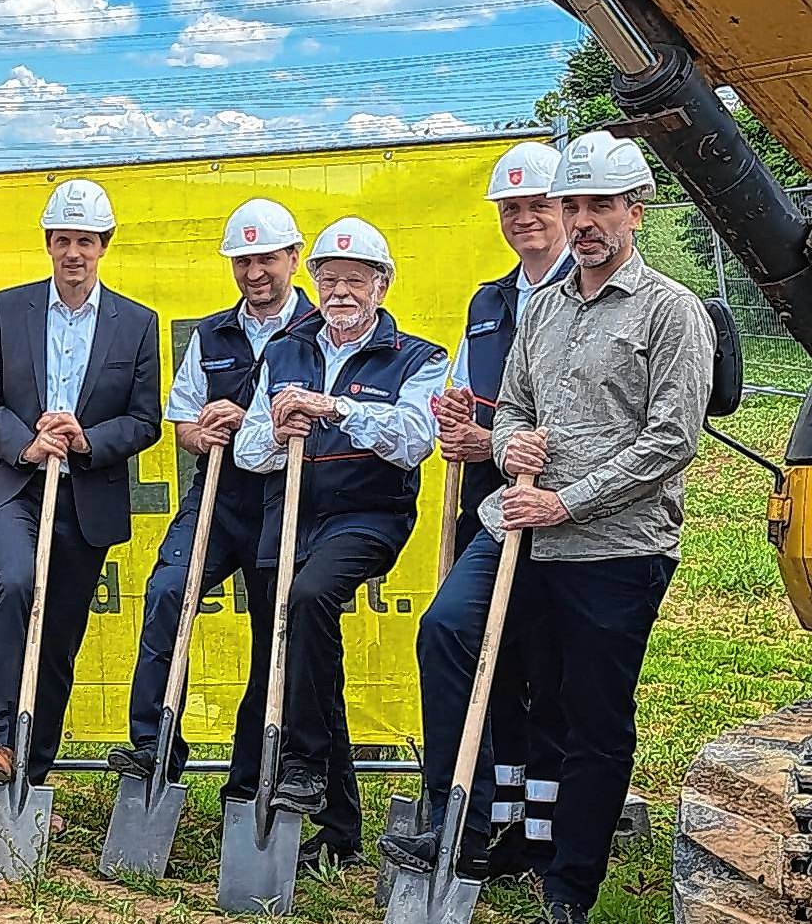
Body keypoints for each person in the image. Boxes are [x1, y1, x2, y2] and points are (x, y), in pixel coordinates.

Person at [381, 132, 713, 924]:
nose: (584, 219)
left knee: (589, 712)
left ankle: (568, 883)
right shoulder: (545, 308)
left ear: (636, 209)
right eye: (574, 204)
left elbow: (672, 439)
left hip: (614, 547)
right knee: (448, 632)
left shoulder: (673, 311)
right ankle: (459, 821)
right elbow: (517, 409)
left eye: (599, 204)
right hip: (519, 529)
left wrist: (567, 502)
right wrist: (505, 441)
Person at [233, 219, 447, 867]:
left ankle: (302, 763)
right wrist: (276, 426)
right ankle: (341, 829)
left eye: (356, 279)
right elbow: (247, 450)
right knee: (306, 662)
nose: (342, 290)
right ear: (315, 284)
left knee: (313, 595)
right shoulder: (283, 351)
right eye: (329, 279)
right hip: (290, 516)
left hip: (366, 515)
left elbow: (415, 438)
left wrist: (334, 408)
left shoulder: (418, 356)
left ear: (382, 285)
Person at [400, 141, 573, 879]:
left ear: (566, 208)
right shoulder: (489, 301)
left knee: (547, 670)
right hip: (495, 511)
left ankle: (548, 831)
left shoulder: (586, 296)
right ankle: (462, 820)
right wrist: (459, 420)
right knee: (451, 633)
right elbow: (474, 404)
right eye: (511, 208)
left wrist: (491, 436)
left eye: (538, 204)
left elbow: (582, 417)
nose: (524, 218)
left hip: (571, 515)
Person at [109, 198, 314, 807]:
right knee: (168, 591)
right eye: (243, 261)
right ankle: (155, 744)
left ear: (293, 258)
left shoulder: (320, 332)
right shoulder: (211, 334)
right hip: (220, 496)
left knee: (271, 633)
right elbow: (184, 428)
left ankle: (252, 777)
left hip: (291, 500)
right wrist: (206, 430)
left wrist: (258, 421)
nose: (255, 273)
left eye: (267, 259)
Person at [0, 180, 161, 801]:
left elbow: (145, 419)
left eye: (85, 241)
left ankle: (34, 769)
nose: (73, 253)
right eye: (62, 241)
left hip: (85, 495)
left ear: (103, 246)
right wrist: (27, 443)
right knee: (17, 584)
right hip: (15, 485)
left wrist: (83, 441)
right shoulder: (8, 308)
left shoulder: (136, 323)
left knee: (59, 634)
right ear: (48, 244)